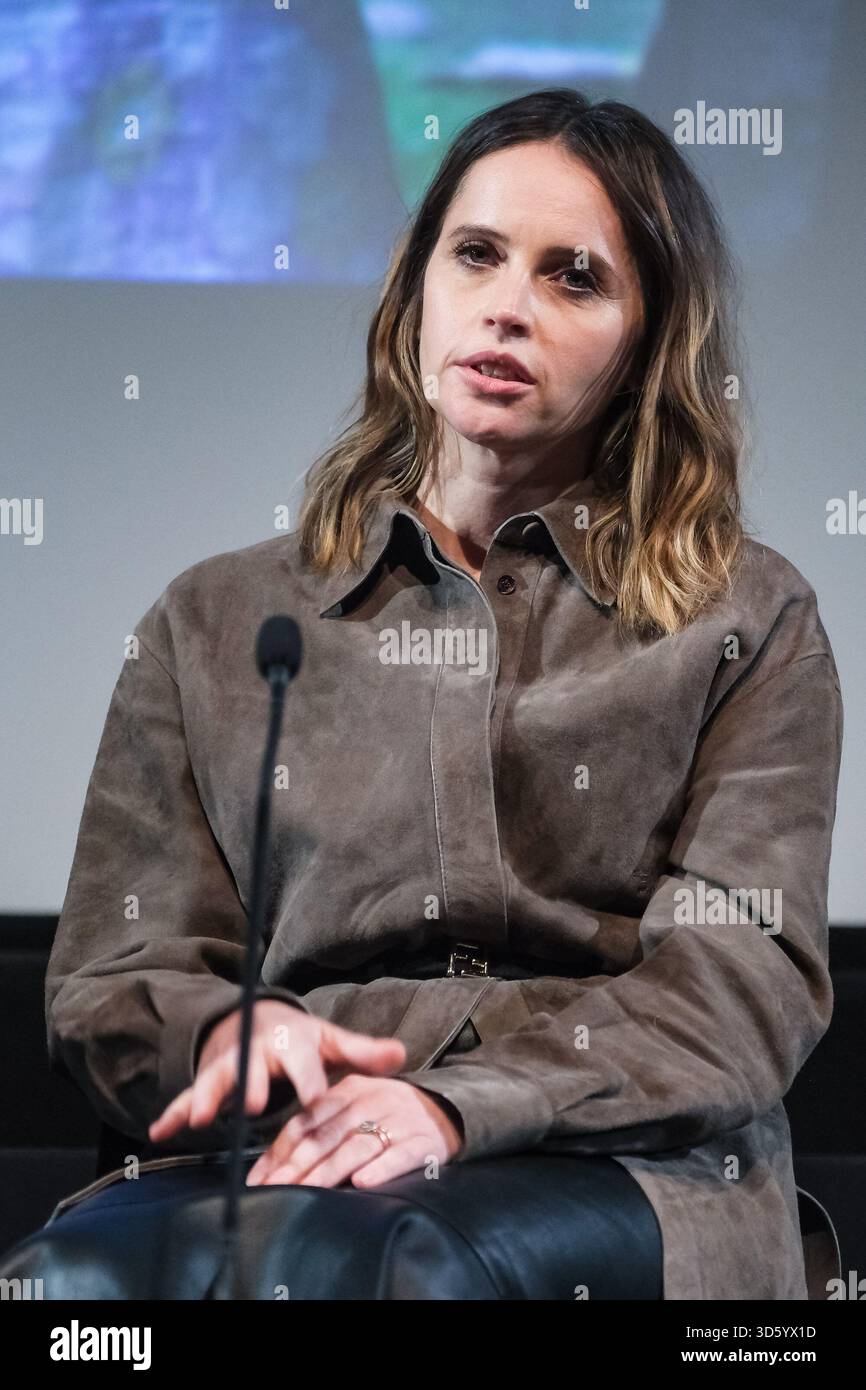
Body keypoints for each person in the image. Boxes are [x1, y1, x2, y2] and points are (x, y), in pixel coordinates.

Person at [46, 89, 843, 1301]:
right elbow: (113, 974)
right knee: (64, 1292)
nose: (506, 306)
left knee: (393, 1270)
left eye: (573, 277)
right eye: (475, 254)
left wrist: (450, 1104)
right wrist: (221, 1038)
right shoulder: (210, 621)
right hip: (291, 1148)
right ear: (415, 284)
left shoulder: (745, 621)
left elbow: (734, 997)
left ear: (645, 341)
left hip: (624, 1162)